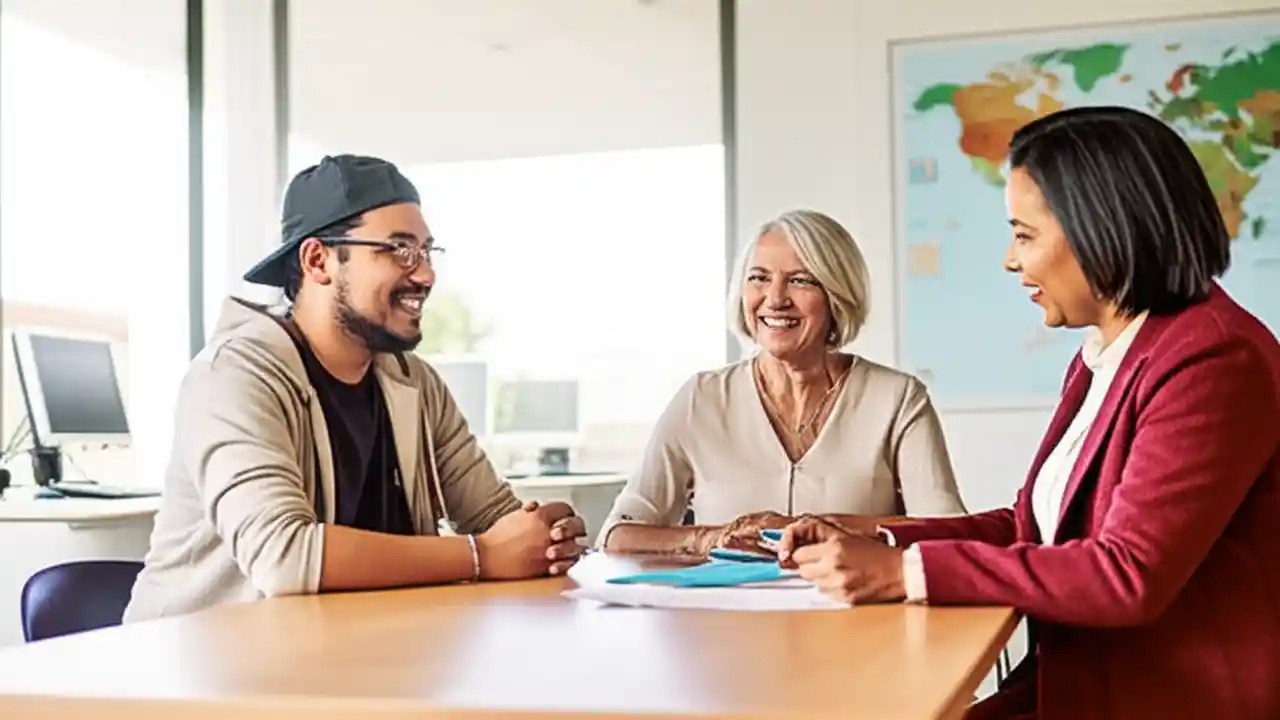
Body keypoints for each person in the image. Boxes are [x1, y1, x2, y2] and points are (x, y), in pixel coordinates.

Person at [779, 107, 1280, 720]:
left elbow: (1127, 575)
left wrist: (901, 572)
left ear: (1102, 227)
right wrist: (877, 535)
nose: (1011, 262)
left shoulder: (1213, 358)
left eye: (1024, 235)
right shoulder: (1107, 355)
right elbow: (1031, 526)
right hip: (1078, 683)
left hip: (1165, 698)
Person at [125, 155, 586, 622]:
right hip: (203, 674)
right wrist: (481, 556)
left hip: (346, 658)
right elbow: (285, 556)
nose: (425, 274)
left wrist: (543, 534)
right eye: (399, 250)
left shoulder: (414, 383)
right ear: (318, 260)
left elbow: (496, 518)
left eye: (427, 252)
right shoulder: (234, 375)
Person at [598, 209, 967, 556]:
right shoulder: (701, 397)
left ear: (837, 295)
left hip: (856, 617)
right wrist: (710, 538)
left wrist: (821, 528)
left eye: (800, 281)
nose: (775, 299)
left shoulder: (897, 399)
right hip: (728, 620)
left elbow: (950, 530)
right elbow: (618, 534)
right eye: (759, 278)